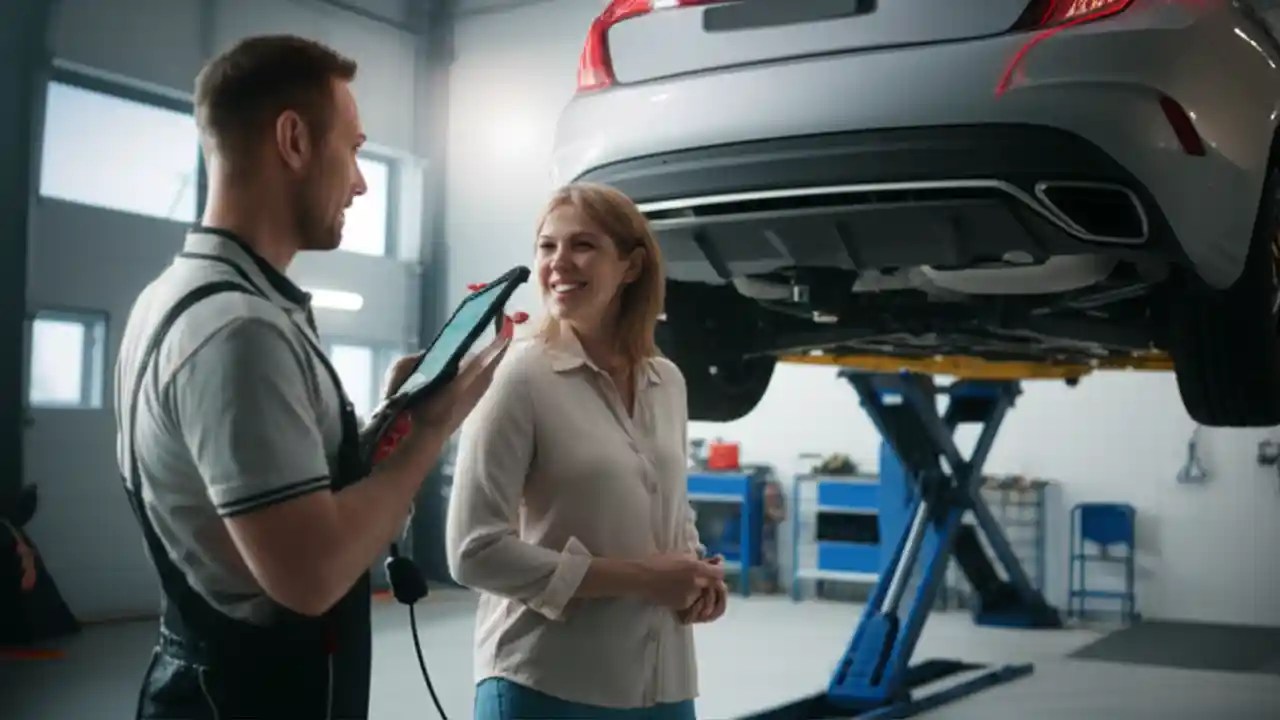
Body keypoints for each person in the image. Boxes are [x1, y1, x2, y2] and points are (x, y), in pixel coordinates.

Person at [113, 35, 511, 719]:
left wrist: (390, 421)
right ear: (293, 139)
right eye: (354, 149)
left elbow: (267, 495)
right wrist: (434, 429)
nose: (359, 182)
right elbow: (312, 574)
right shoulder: (238, 331)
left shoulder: (184, 297)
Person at [446, 182, 729, 720]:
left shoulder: (665, 381)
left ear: (631, 266)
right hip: (547, 682)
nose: (558, 263)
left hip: (662, 682)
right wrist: (646, 580)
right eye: (547, 246)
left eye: (582, 245)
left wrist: (696, 574)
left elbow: (670, 503)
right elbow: (472, 551)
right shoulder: (518, 374)